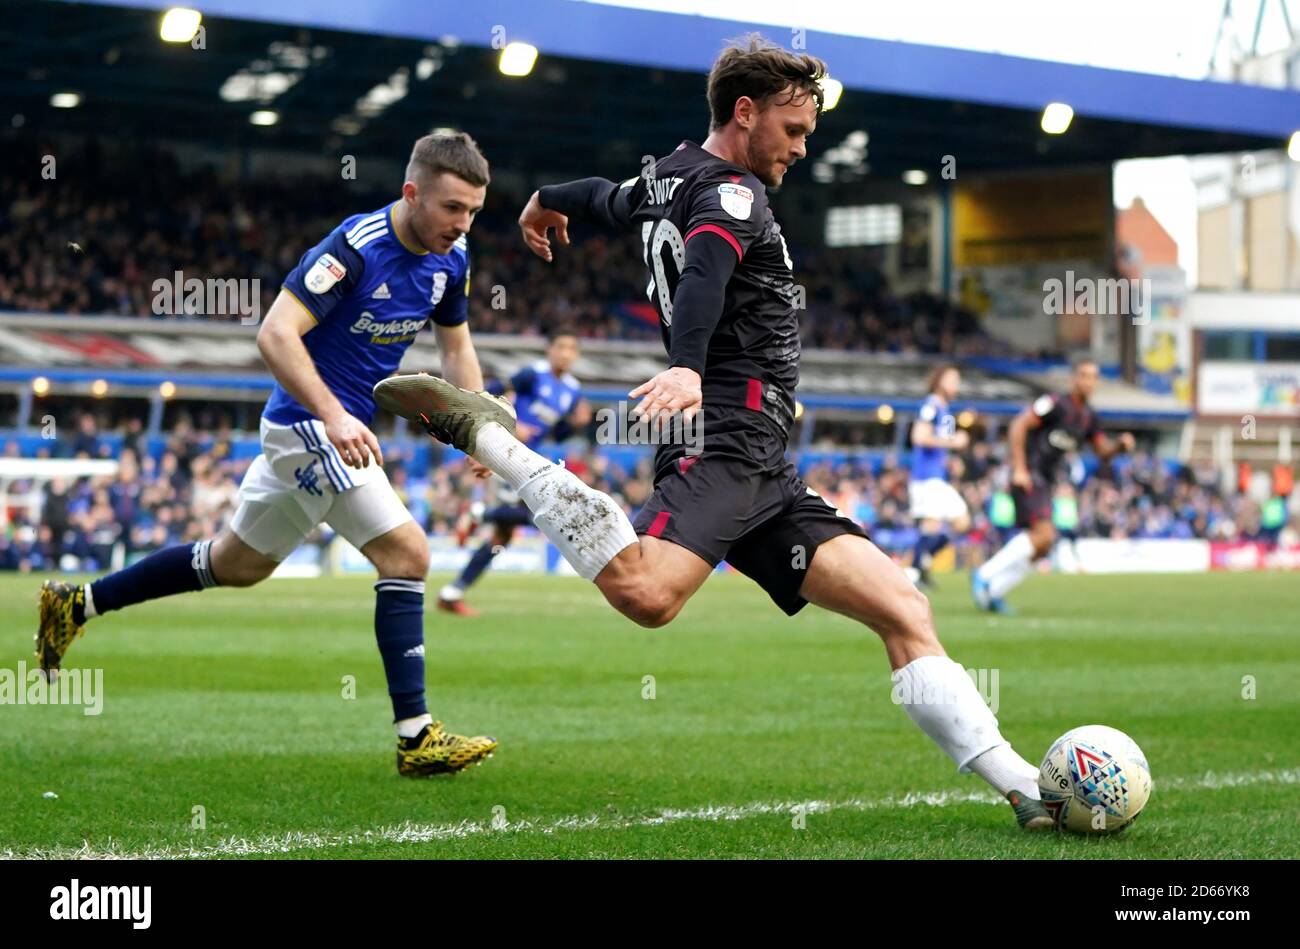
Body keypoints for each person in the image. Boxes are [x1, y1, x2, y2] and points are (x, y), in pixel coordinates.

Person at [377, 36, 1055, 828]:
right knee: (647, 595)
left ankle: (1026, 788)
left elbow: (606, 197)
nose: (801, 149)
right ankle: (493, 441)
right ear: (745, 112)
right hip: (723, 432)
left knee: (904, 605)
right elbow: (704, 271)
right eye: (794, 131)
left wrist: (546, 196)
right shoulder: (733, 194)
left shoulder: (667, 176)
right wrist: (691, 365)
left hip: (764, 462)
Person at [36, 132, 499, 777]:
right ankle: (416, 736)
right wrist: (335, 414)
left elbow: (455, 348)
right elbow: (275, 334)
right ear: (411, 192)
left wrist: (476, 429)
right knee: (408, 553)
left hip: (334, 431)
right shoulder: (354, 250)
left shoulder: (455, 257)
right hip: (309, 426)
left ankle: (76, 602)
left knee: (236, 564)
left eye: (473, 211)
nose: (463, 223)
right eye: (453, 207)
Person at [438, 327, 590, 615]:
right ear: (550, 350)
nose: (566, 354)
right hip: (504, 450)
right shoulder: (532, 374)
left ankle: (451, 592)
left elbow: (554, 433)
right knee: (533, 516)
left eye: (572, 349)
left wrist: (575, 426)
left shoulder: (572, 389)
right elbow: (490, 394)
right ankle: (477, 514)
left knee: (502, 536)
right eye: (561, 347)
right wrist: (511, 424)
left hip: (529, 456)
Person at [972, 357, 1134, 614]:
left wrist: (1119, 447)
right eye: (1084, 375)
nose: (1089, 381)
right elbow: (1018, 425)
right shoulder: (1055, 404)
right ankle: (984, 574)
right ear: (1073, 378)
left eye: (1093, 376)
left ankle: (992, 592)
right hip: (1029, 472)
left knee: (1043, 546)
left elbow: (1102, 450)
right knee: (1044, 535)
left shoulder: (1089, 417)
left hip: (1045, 479)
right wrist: (1020, 468)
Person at [906, 365, 970, 588]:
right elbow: (919, 437)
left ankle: (921, 563)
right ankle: (913, 571)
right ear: (939, 381)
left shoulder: (946, 411)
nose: (956, 385)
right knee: (931, 524)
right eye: (952, 379)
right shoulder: (931, 405)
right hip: (926, 478)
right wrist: (954, 442)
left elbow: (936, 445)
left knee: (962, 521)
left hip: (938, 476)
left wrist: (951, 460)